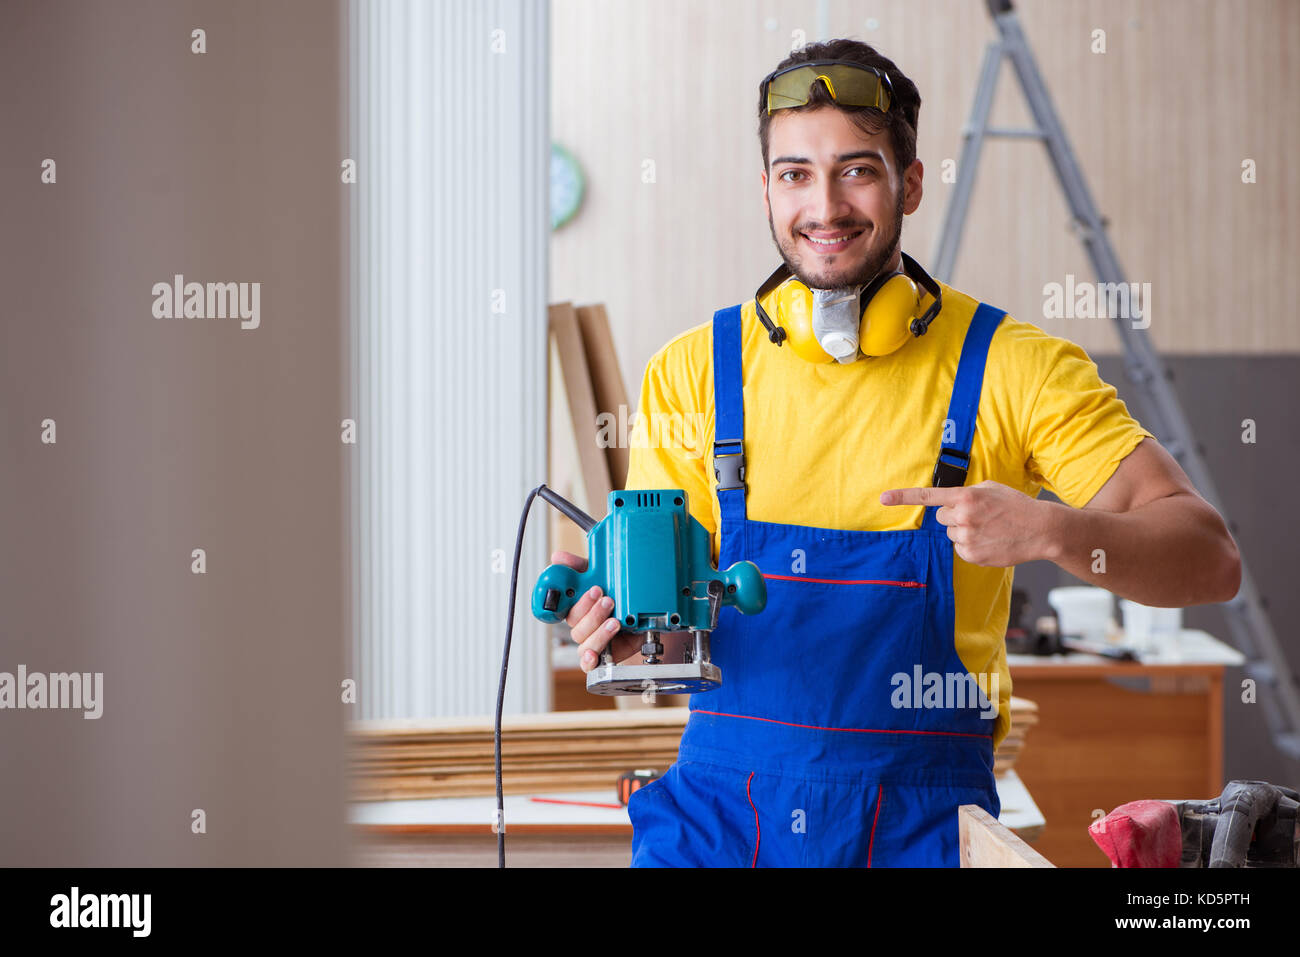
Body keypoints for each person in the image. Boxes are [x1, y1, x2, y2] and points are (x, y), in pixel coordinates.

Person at [552, 38, 1241, 867]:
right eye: (795, 174)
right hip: (720, 823)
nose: (825, 206)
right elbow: (669, 644)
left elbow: (1210, 558)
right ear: (766, 190)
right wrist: (628, 636)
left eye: (857, 169)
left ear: (909, 182)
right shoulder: (692, 373)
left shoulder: (1013, 367)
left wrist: (1055, 532)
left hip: (921, 826)